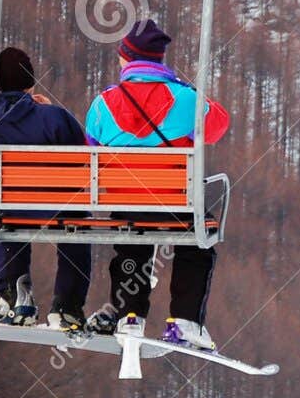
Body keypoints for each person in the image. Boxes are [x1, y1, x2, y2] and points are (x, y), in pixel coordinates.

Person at [83, 20, 230, 350]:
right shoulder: (185, 99)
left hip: (124, 206)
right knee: (196, 245)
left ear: (128, 59)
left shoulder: (102, 103)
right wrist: (188, 91)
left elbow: (91, 147)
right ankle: (183, 322)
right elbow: (219, 124)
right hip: (174, 205)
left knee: (132, 246)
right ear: (159, 59)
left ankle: (129, 316)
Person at [0, 46, 92, 329]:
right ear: (30, 81)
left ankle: (15, 296)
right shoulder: (55, 117)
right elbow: (83, 159)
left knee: (6, 216)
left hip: (10, 209)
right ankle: (67, 305)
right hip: (60, 211)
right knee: (77, 226)